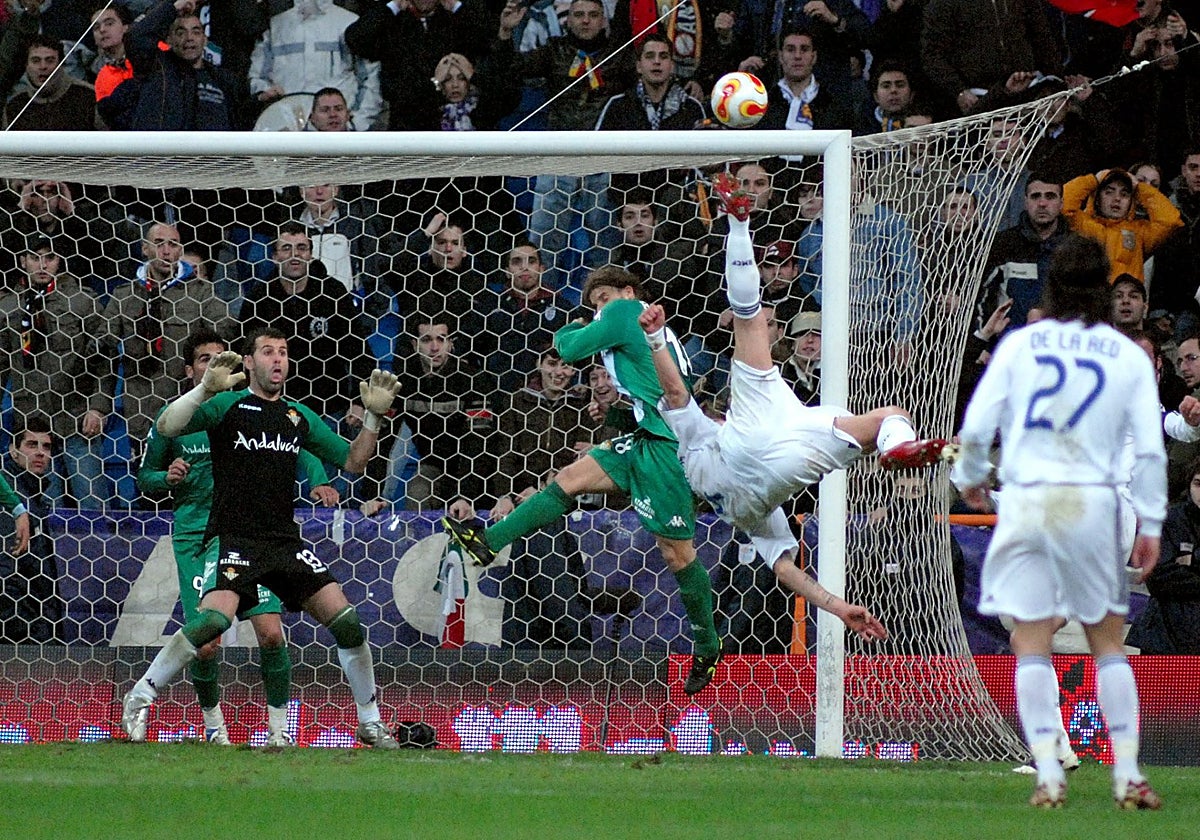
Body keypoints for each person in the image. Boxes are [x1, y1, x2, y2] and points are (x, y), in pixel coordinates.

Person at [633, 174, 941, 646]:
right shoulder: (693, 451)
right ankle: (739, 224)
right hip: (762, 431)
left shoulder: (735, 510)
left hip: (768, 461)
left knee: (873, 412)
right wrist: (656, 338)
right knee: (751, 316)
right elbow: (676, 395)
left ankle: (891, 442)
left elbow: (784, 567)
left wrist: (838, 608)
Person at [951, 234, 1165, 809]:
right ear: (1104, 288)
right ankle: (1127, 772)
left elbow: (977, 423)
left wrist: (969, 475)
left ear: (1051, 285)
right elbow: (1149, 448)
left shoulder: (1022, 345)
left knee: (1031, 640)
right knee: (1107, 644)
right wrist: (1151, 524)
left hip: (1030, 499)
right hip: (1096, 502)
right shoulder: (1126, 354)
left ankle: (1049, 768)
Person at [444, 265, 724, 696]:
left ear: (628, 291)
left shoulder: (627, 310)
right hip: (643, 437)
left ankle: (707, 644)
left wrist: (566, 330)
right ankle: (488, 541)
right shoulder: (644, 328)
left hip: (664, 449)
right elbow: (652, 386)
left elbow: (571, 351)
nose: (600, 308)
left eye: (605, 298)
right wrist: (615, 414)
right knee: (571, 478)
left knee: (678, 556)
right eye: (594, 303)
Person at [121, 327, 402, 749]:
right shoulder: (227, 406)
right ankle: (141, 693)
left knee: (347, 623)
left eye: (284, 352)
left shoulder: (297, 415)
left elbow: (354, 460)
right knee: (212, 625)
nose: (277, 360)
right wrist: (202, 389)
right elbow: (167, 424)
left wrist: (374, 418)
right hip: (234, 540)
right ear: (249, 362)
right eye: (267, 352)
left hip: (282, 543)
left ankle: (370, 721)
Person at [248, 0, 383, 131]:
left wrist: (358, 122)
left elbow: (371, 79)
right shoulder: (275, 26)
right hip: (289, 130)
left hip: (339, 131)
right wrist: (267, 94)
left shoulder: (350, 23)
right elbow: (258, 77)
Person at [1127, 456, 1200, 655]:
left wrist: (1190, 563)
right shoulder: (1168, 520)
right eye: (1198, 484)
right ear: (1189, 484)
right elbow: (1157, 577)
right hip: (1163, 636)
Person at [1061, 167, 1183, 283]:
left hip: (1126, 300)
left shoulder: (1139, 232)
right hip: (1092, 301)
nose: (1117, 199)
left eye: (1124, 194)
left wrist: (1140, 189)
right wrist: (1092, 180)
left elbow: (1170, 221)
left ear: (1132, 200)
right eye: (1109, 192)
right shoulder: (1082, 224)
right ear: (1097, 197)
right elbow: (1062, 205)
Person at [0, 415, 59, 643]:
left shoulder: (33, 496)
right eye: (31, 445)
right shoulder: (11, 501)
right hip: (21, 636)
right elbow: (6, 575)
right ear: (13, 450)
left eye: (46, 446)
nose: (40, 453)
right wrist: (33, 634)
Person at [2, 35, 98, 131]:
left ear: (61, 64)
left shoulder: (89, 96)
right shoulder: (14, 106)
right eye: (36, 61)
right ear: (26, 65)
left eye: (50, 60)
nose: (43, 66)